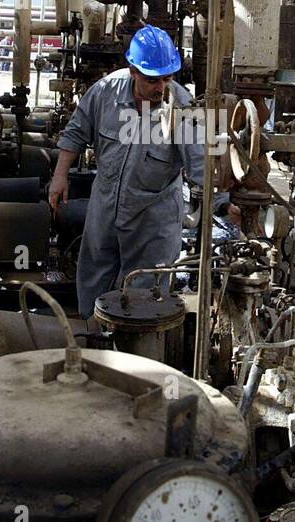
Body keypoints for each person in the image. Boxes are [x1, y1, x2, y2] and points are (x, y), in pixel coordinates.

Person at [49, 24, 212, 318]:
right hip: (106, 205)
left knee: (145, 295)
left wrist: (226, 203)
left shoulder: (183, 107)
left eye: (167, 77)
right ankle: (93, 338)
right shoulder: (104, 92)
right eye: (152, 79)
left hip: (154, 218)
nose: (161, 87)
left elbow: (202, 164)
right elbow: (75, 133)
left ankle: (134, 356)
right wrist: (60, 175)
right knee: (94, 275)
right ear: (133, 70)